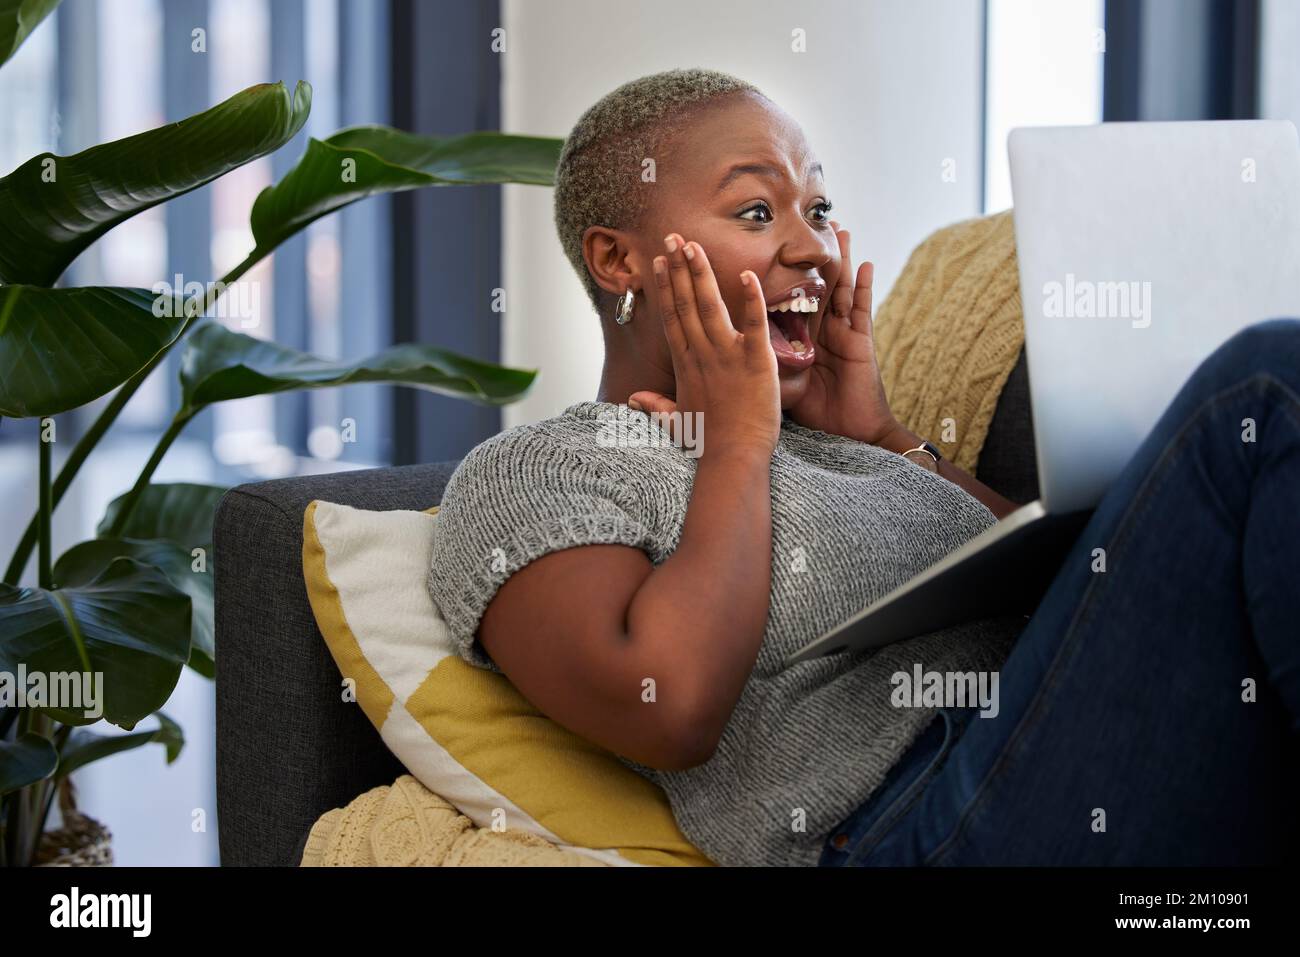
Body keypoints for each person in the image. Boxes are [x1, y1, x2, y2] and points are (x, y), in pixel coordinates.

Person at [426, 67, 1300, 867]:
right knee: (1260, 389)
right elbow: (670, 703)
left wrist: (883, 433)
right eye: (758, 212)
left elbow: (1076, 593)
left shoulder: (841, 436)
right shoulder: (538, 469)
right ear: (619, 260)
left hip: (1076, 751)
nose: (812, 247)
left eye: (818, 208)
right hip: (914, 825)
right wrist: (735, 443)